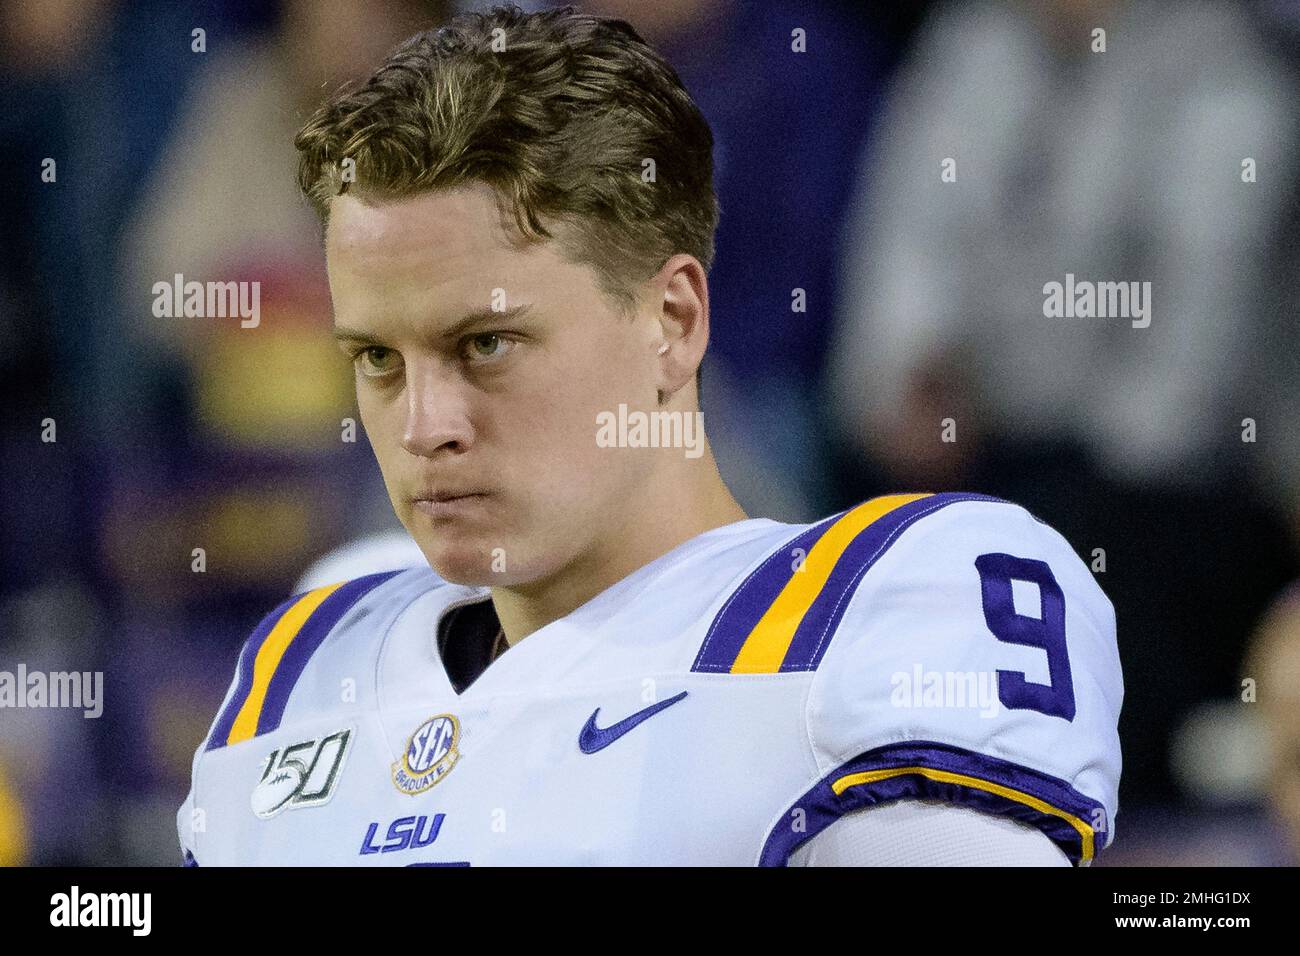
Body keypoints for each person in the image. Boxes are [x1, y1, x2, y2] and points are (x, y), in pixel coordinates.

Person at [177, 4, 1120, 866]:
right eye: (379, 359)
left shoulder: (887, 619)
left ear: (671, 320)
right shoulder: (301, 673)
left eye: (487, 344)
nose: (425, 427)